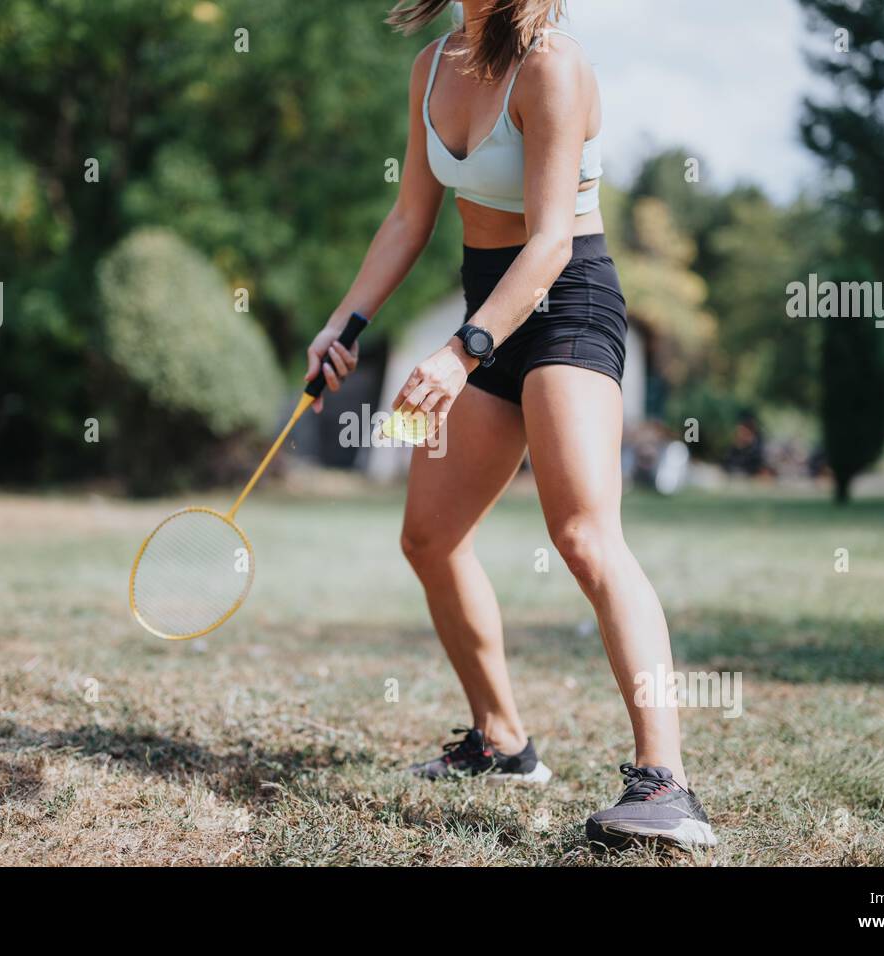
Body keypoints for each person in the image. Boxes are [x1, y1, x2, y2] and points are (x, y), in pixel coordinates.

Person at [302, 0, 715, 851]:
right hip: (483, 310)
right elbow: (410, 219)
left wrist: (460, 353)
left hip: (566, 305)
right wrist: (347, 323)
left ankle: (666, 785)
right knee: (430, 536)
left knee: (585, 536)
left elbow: (553, 242)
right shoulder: (431, 68)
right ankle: (503, 743)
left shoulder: (553, 66)